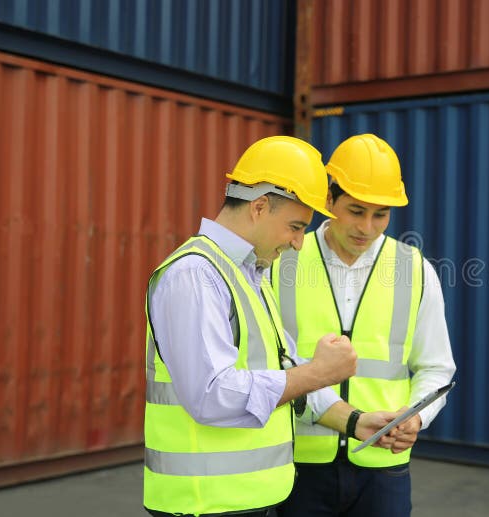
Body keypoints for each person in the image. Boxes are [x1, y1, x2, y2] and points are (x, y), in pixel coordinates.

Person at [143, 136, 399, 517]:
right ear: (259, 207)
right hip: (205, 506)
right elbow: (211, 396)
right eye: (295, 226)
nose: (299, 243)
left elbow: (284, 373)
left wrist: (356, 421)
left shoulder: (251, 276)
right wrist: (316, 373)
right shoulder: (195, 275)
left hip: (244, 502)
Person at [271, 134, 457, 516]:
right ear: (327, 200)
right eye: (355, 211)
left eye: (381, 214)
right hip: (297, 463)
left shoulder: (414, 269)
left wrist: (416, 417)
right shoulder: (281, 263)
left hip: (382, 468)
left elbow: (436, 368)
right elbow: (273, 364)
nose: (368, 228)